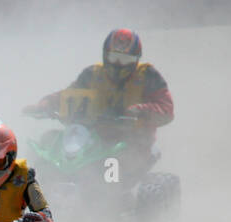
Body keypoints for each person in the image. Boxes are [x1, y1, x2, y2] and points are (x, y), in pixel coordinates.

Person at [23, 28, 173, 176]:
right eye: (114, 57)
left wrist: (141, 110)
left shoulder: (148, 76)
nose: (119, 64)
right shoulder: (92, 74)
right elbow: (69, 95)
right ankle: (40, 185)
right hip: (94, 136)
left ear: (136, 59)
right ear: (105, 55)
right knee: (50, 141)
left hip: (132, 140)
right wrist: (46, 104)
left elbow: (166, 109)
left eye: (126, 59)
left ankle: (111, 196)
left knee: (114, 165)